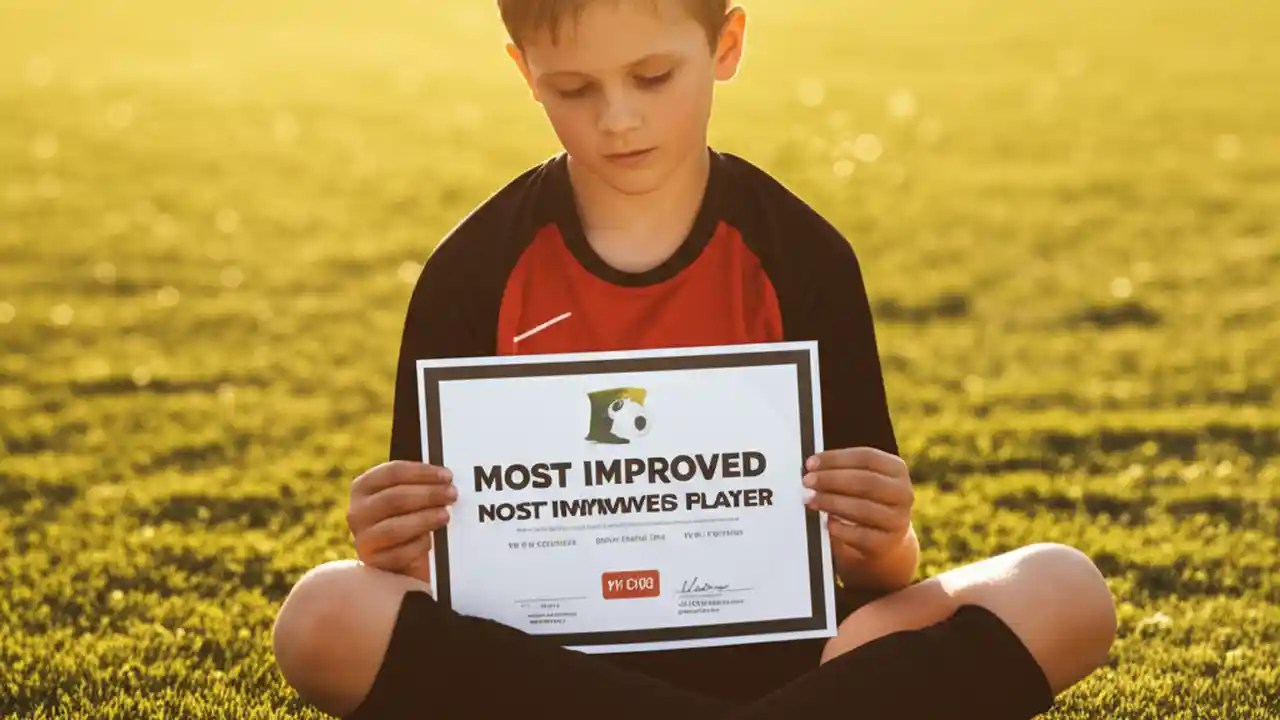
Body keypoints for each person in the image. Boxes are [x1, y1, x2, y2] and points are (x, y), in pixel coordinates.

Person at [271, 2, 1118, 718]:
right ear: (524, 70)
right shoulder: (472, 272)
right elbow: (437, 575)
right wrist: (392, 538)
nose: (618, 118)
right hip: (551, 668)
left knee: (1063, 589)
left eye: (652, 77)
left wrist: (886, 534)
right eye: (574, 89)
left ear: (726, 45)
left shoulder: (803, 255)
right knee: (323, 613)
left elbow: (876, 573)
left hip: (795, 660)